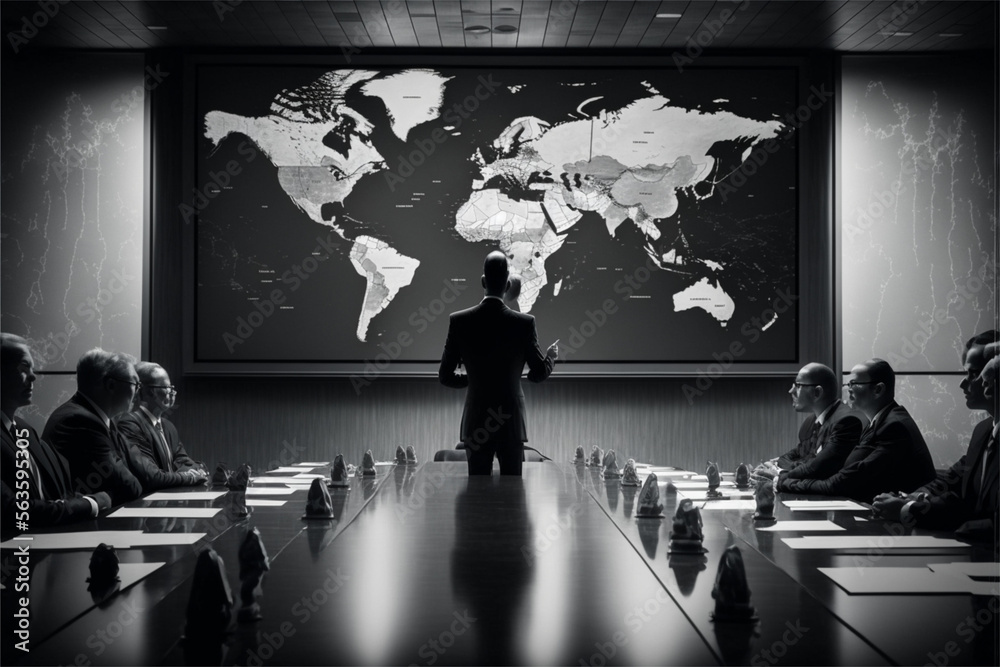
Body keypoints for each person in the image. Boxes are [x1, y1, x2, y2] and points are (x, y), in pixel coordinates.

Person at [439, 251, 558, 475]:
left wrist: (473, 379)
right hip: (510, 423)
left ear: (483, 282)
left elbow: (445, 376)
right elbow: (538, 374)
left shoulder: (459, 321)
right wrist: (551, 357)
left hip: (476, 423)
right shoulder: (524, 323)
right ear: (508, 284)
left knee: (476, 495)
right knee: (513, 497)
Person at [873, 331, 998, 542]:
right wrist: (909, 498)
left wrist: (908, 510)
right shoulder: (983, 430)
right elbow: (951, 482)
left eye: (974, 373)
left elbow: (975, 515)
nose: (963, 384)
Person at [44, 349, 204, 506]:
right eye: (135, 384)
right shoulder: (81, 421)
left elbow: (145, 474)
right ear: (111, 385)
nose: (138, 392)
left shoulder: (102, 419)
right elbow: (131, 486)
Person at [777, 358, 935, 503]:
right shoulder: (878, 422)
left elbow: (842, 483)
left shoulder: (894, 427)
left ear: (878, 389)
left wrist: (785, 482)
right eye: (847, 385)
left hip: (904, 522)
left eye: (854, 384)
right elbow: (845, 475)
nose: (848, 390)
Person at [1, 333, 111, 532]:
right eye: (24, 368)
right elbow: (15, 512)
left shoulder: (25, 430)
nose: (34, 376)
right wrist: (90, 504)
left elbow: (59, 494)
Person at [754, 363, 863, 482]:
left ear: (817, 392)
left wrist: (779, 471)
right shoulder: (810, 422)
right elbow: (789, 457)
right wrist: (783, 465)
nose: (791, 391)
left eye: (798, 385)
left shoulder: (847, 422)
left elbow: (817, 469)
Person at [117, 362, 205, 474]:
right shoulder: (130, 424)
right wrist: (189, 476)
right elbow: (150, 474)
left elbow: (182, 460)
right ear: (145, 391)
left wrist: (196, 469)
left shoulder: (168, 426)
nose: (172, 392)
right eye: (166, 387)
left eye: (172, 387)